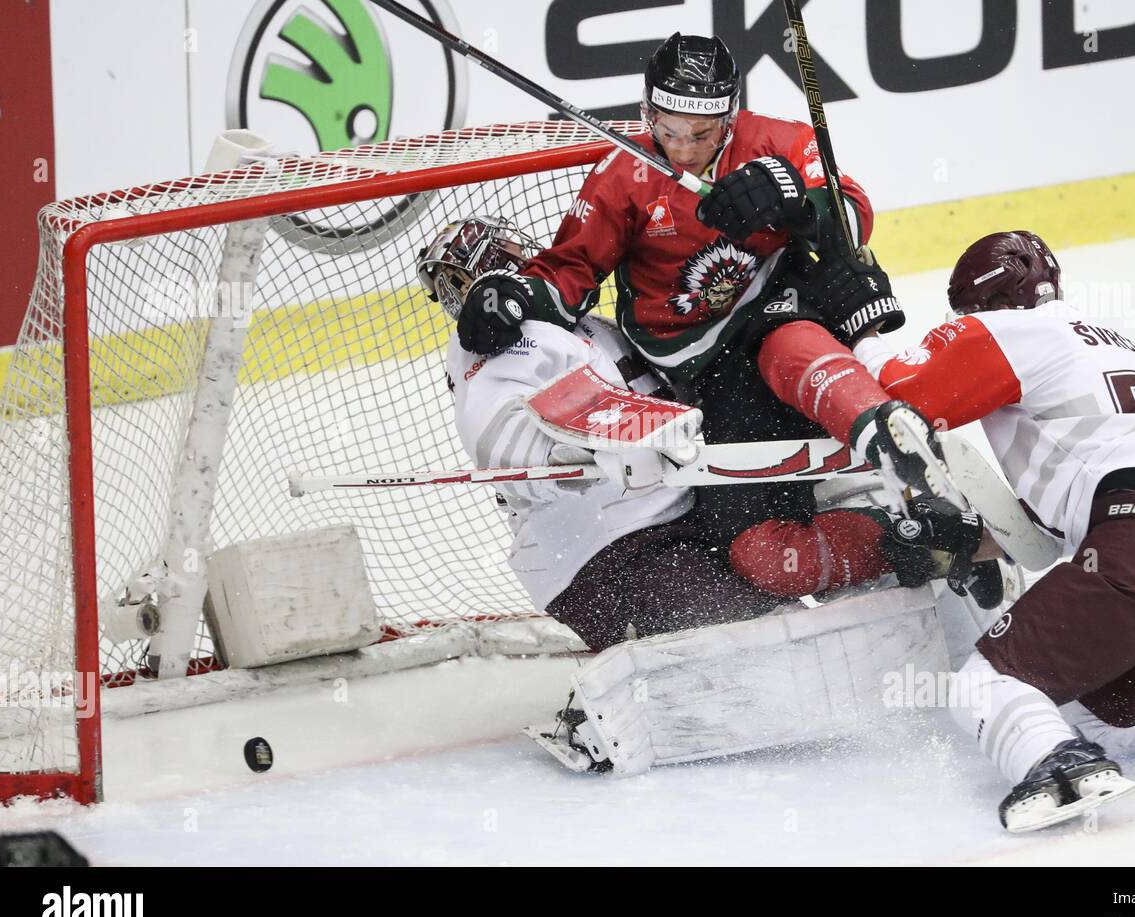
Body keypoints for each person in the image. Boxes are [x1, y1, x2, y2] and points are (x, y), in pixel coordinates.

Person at [450, 33, 949, 559]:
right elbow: (570, 269)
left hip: (790, 315)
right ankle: (908, 544)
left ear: (729, 118)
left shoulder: (777, 143)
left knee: (814, 306)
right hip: (706, 372)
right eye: (668, 131)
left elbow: (853, 217)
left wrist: (799, 206)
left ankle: (884, 424)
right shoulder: (624, 175)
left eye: (702, 134)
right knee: (753, 550)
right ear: (647, 112)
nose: (684, 150)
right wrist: (513, 295)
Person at [854, 229, 1135, 831]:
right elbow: (1051, 531)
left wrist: (860, 327)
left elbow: (902, 392)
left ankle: (1059, 769)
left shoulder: (1015, 331)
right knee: (1097, 713)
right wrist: (963, 544)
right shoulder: (1112, 350)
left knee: (987, 683)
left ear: (980, 307)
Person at [419, 216, 986, 651]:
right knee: (766, 641)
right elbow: (497, 439)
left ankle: (912, 538)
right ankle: (901, 549)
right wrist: (585, 446)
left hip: (690, 512)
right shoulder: (490, 341)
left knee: (781, 559)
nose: (518, 261)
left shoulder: (590, 325)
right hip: (613, 555)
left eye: (514, 250)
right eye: (498, 258)